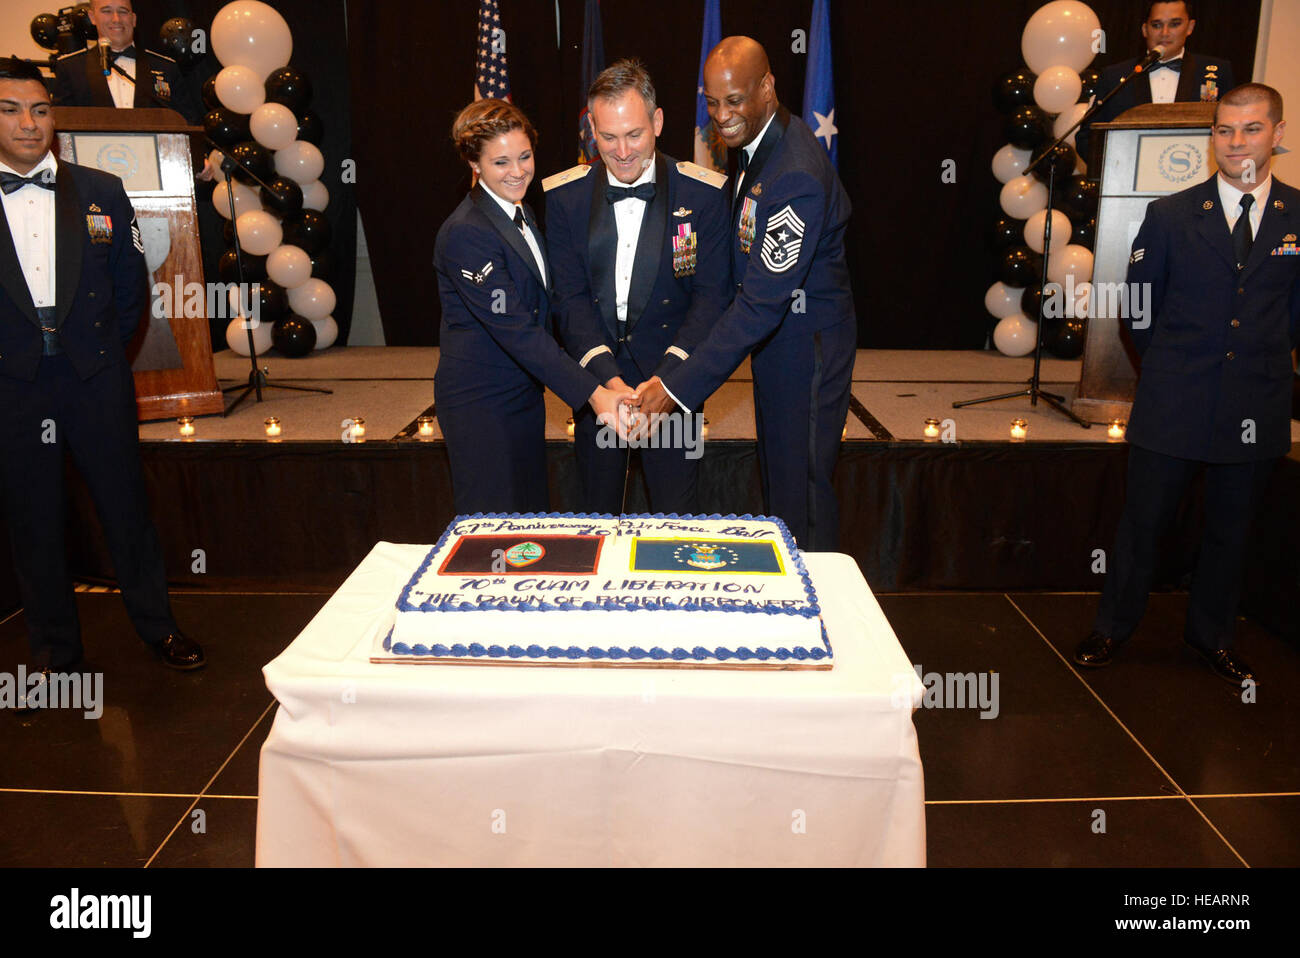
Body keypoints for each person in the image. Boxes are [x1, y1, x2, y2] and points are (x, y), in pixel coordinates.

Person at [1075, 83, 1299, 686]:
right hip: (1175, 398)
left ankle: (1212, 636)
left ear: (1277, 134)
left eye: (1251, 129)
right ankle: (1112, 628)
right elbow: (1139, 311)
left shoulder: (1297, 216)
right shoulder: (1171, 214)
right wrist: (1172, 370)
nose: (1235, 142)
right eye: (1224, 130)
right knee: (1142, 523)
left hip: (1256, 401)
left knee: (1232, 531)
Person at [0, 59, 204, 707]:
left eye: (38, 109)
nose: (28, 123)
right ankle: (56, 653)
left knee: (127, 510)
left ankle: (159, 627)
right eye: (10, 110)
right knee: (34, 521)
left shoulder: (102, 190)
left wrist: (98, 358)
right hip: (14, 387)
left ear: (53, 117)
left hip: (94, 377)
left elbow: (129, 290)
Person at [631, 36, 855, 551]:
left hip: (806, 349)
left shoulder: (794, 172)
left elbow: (759, 302)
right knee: (779, 473)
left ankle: (819, 607)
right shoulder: (758, 146)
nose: (721, 115)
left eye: (734, 100)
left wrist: (676, 388)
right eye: (711, 101)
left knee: (802, 483)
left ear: (768, 88)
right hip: (779, 346)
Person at [544, 59, 731, 514]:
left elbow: (711, 300)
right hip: (599, 390)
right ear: (591, 127)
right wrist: (608, 383)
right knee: (598, 516)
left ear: (658, 122)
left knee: (676, 521)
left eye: (634, 134)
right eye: (608, 136)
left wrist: (663, 385)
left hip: (674, 385)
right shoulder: (563, 196)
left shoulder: (703, 194)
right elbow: (568, 300)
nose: (622, 150)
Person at [433, 98, 633, 514]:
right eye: (501, 162)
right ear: (475, 164)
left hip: (522, 396)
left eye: (524, 157)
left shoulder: (520, 214)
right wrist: (593, 393)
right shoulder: (466, 234)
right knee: (490, 530)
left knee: (525, 520)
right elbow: (518, 331)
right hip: (481, 406)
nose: (518, 171)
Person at [1076, 1, 1234, 165]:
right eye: (1157, 25)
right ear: (1145, 29)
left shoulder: (1217, 72)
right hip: (1128, 182)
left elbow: (1232, 132)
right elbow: (1087, 139)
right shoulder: (1114, 76)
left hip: (1194, 182)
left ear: (1190, 27)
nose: (1165, 33)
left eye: (1175, 24)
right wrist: (1118, 167)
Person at [50, 0, 202, 124]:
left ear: (133, 19)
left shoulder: (166, 67)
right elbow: (60, 126)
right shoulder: (71, 68)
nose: (116, 19)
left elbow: (188, 123)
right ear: (92, 17)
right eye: (106, 11)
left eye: (123, 11)